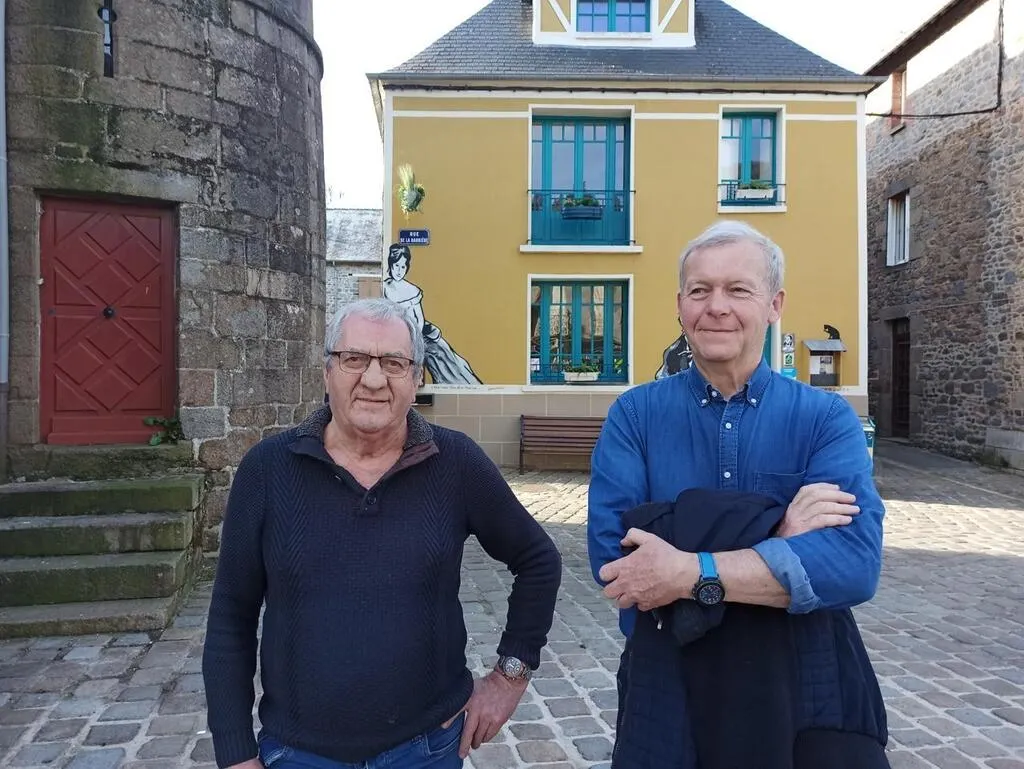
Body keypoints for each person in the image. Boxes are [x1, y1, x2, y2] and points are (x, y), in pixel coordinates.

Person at [202, 297, 561, 769]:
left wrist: (510, 677)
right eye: (354, 359)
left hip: (427, 749)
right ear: (327, 370)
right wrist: (234, 751)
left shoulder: (455, 463)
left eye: (394, 363)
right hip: (298, 753)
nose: (373, 379)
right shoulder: (267, 471)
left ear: (416, 380)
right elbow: (232, 613)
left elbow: (538, 559)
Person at [587, 221, 889, 768]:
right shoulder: (635, 416)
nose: (716, 306)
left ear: (774, 304)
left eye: (738, 290)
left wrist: (687, 570)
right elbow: (617, 563)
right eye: (700, 291)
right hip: (668, 678)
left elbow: (853, 564)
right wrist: (776, 532)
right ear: (680, 305)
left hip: (802, 677)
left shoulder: (826, 420)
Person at [382, 243, 482, 385]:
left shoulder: (412, 290)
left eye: (403, 267)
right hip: (398, 335)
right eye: (396, 266)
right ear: (391, 265)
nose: (399, 271)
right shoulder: (385, 288)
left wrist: (415, 336)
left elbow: (420, 318)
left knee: (443, 355)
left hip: (419, 332)